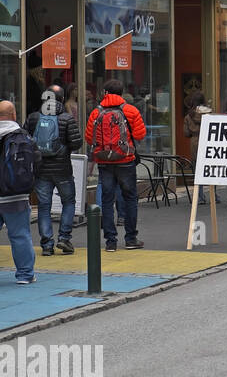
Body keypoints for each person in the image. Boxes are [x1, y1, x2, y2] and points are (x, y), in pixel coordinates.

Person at [86, 79, 146, 251]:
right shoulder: (130, 110)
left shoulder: (96, 112)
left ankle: (110, 242)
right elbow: (141, 134)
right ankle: (130, 238)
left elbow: (89, 138)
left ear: (105, 93)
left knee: (106, 199)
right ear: (121, 92)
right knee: (130, 198)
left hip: (104, 161)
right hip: (126, 160)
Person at [23, 86, 82, 256]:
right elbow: (76, 143)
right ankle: (64, 238)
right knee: (69, 202)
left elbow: (25, 139)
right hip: (63, 169)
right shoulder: (66, 118)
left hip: (41, 170)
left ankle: (47, 245)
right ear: (61, 99)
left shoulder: (33, 117)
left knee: (43, 206)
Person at [0, 101, 37, 283]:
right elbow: (36, 162)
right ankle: (25, 275)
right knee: (19, 234)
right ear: (13, 114)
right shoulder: (21, 136)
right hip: (15, 194)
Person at [183, 92, 222, 206]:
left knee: (197, 171)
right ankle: (214, 195)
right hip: (209, 142)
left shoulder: (188, 116)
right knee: (211, 170)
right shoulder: (210, 113)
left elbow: (186, 133)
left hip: (195, 143)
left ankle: (200, 197)